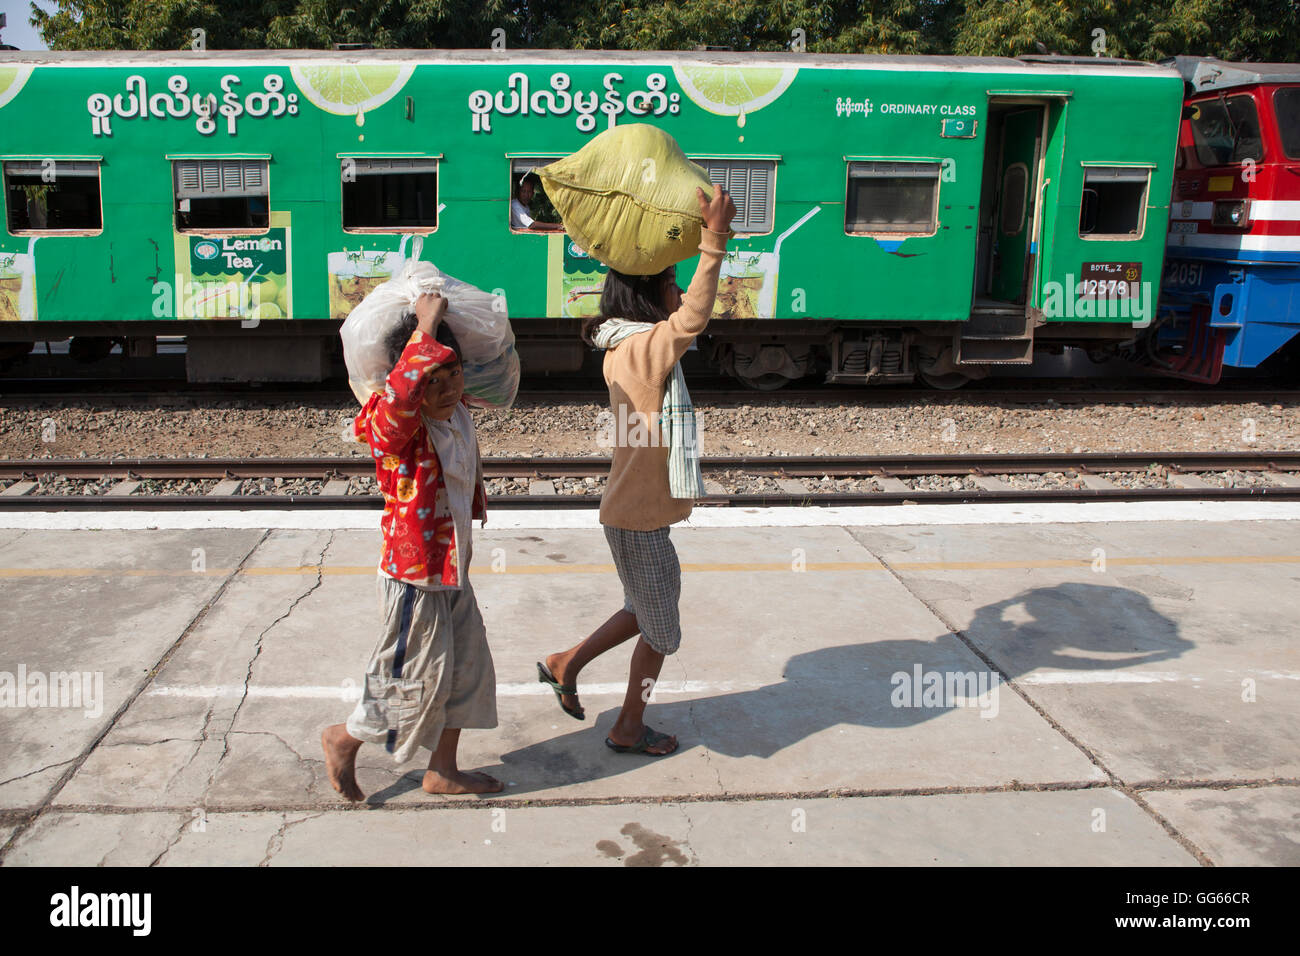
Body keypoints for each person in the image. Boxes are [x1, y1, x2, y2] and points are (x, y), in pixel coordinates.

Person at [538, 186, 737, 756]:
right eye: (669, 284)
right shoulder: (643, 349)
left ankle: (565, 662)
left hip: (631, 513)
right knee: (662, 635)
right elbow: (695, 316)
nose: (678, 291)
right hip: (639, 520)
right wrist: (713, 240)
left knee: (641, 611)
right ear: (651, 297)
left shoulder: (625, 346)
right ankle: (628, 725)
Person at [322, 291, 503, 798]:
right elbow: (399, 398)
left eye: (453, 375)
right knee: (410, 675)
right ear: (406, 379)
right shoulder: (394, 424)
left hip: (453, 568)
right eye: (431, 378)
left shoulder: (458, 412)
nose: (446, 388)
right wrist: (425, 327)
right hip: (415, 575)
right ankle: (344, 738)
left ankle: (442, 769)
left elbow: (494, 384)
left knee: (467, 667)